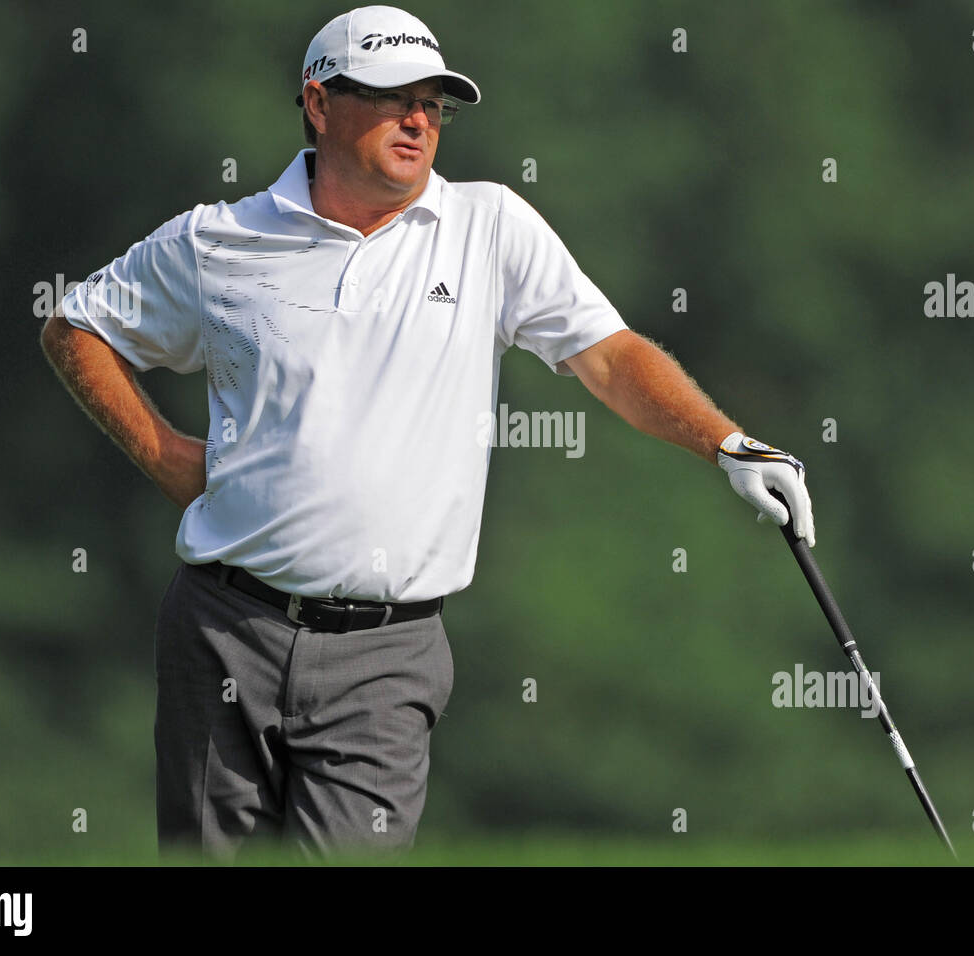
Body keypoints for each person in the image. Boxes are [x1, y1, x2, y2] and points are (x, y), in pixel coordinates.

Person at [39, 4, 815, 862]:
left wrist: (726, 441)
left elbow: (611, 358)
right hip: (224, 626)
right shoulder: (220, 240)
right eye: (390, 97)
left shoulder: (488, 226)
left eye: (433, 104)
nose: (418, 119)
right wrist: (163, 454)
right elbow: (77, 326)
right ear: (319, 102)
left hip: (387, 653)